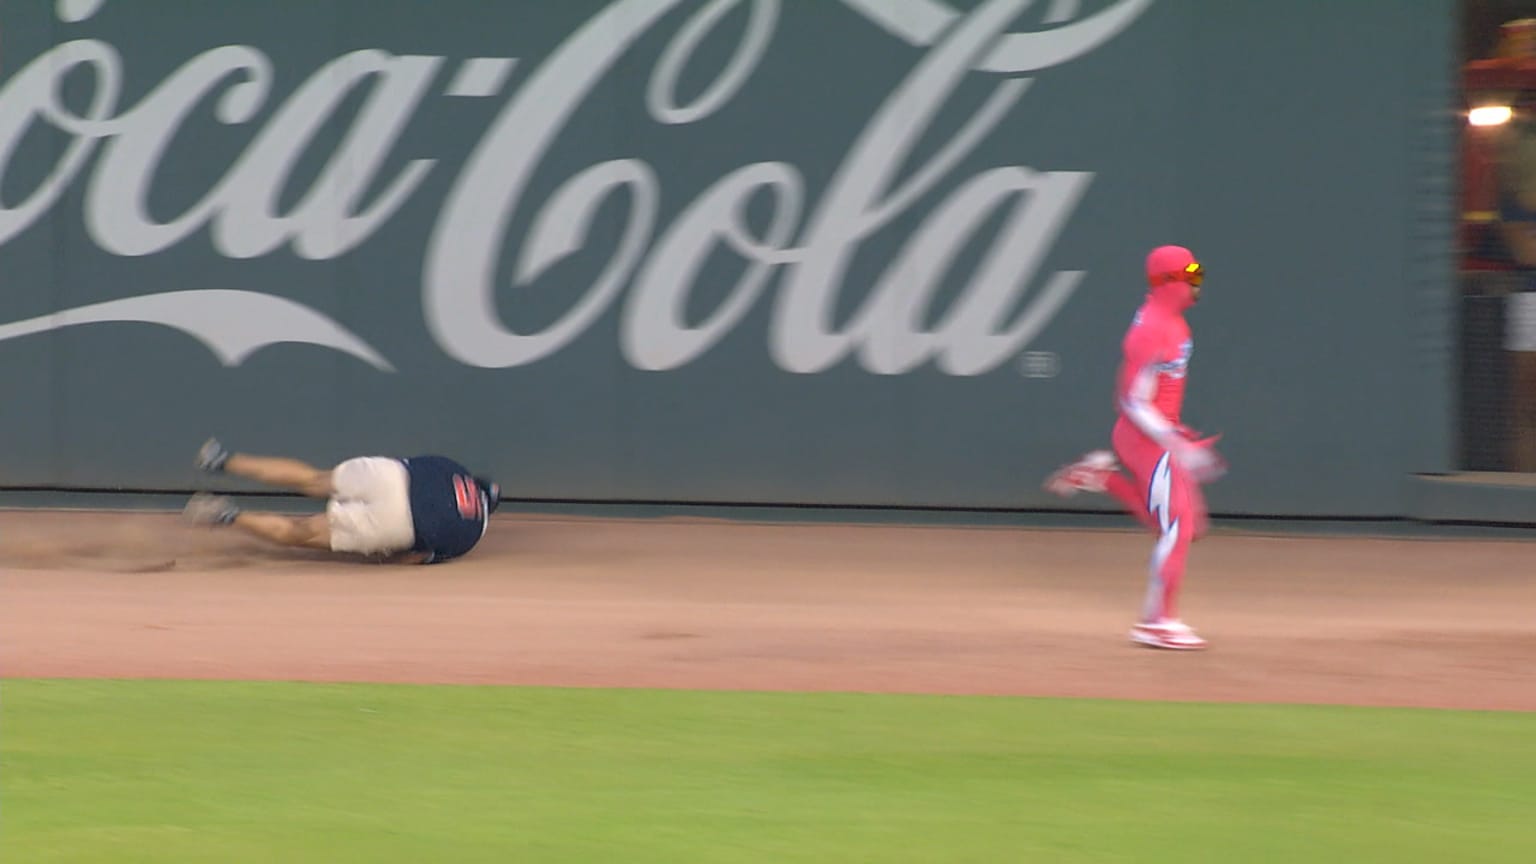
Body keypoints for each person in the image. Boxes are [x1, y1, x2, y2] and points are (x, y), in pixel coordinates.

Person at [1043, 245, 1226, 650]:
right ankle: (1157, 622)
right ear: (1167, 281)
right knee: (1177, 527)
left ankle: (1101, 477)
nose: (1197, 282)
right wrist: (1175, 442)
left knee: (1186, 527)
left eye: (1198, 273)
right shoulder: (1154, 329)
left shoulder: (1172, 323)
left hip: (1156, 436)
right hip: (1147, 441)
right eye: (1189, 274)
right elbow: (1133, 400)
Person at [182, 438, 501, 565]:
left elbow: (408, 462)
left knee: (313, 479)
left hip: (391, 475)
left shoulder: (453, 468)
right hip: (399, 523)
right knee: (301, 531)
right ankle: (224, 514)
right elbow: (414, 558)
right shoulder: (471, 535)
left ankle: (221, 460)